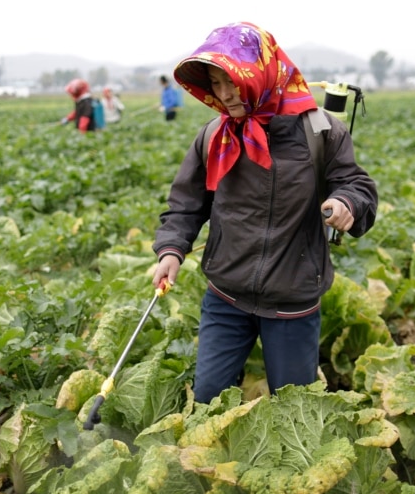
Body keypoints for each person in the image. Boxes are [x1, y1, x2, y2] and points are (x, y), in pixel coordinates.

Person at [151, 22, 378, 403]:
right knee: (208, 399)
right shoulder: (215, 136)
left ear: (259, 73)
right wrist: (171, 249)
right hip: (226, 294)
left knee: (295, 411)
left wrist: (346, 203)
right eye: (216, 84)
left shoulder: (320, 132)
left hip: (293, 300)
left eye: (232, 82)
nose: (225, 95)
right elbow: (186, 205)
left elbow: (358, 186)